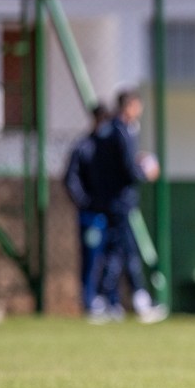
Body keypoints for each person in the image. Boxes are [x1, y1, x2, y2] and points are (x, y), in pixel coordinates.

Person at [87, 88, 168, 324]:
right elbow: (126, 168)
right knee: (126, 251)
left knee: (116, 250)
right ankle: (135, 302)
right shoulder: (122, 132)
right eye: (138, 106)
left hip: (109, 200)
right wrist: (144, 170)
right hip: (120, 202)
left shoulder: (107, 130)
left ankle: (103, 302)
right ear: (130, 106)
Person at [64, 103, 111, 314]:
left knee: (111, 258)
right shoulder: (84, 147)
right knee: (91, 258)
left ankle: (108, 300)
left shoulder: (110, 148)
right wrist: (85, 201)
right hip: (91, 214)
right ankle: (89, 301)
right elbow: (70, 178)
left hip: (110, 213)